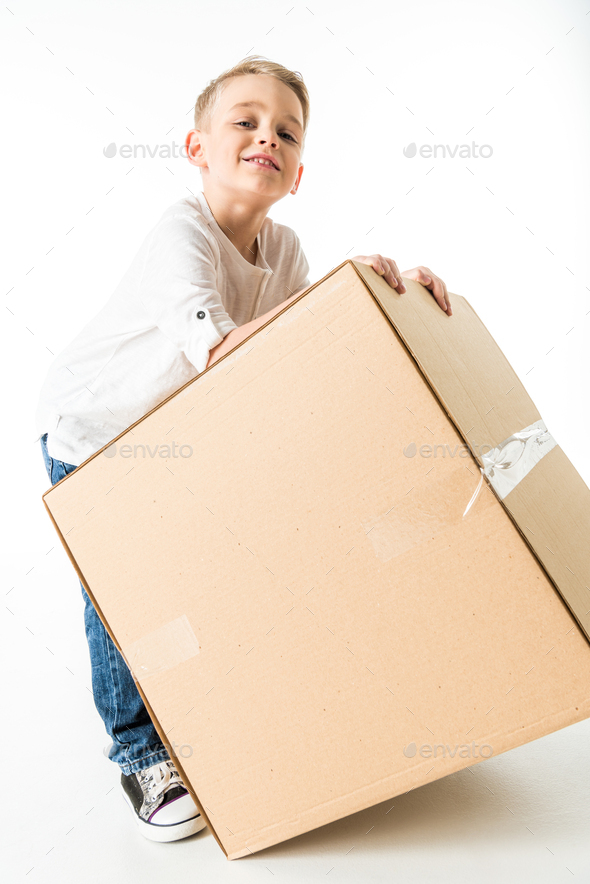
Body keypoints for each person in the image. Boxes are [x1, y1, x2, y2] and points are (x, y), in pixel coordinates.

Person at [35, 54, 452, 843]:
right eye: (246, 121)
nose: (268, 137)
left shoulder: (285, 252)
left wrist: (391, 304)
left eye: (286, 132)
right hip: (94, 431)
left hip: (174, 438)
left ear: (297, 173)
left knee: (198, 571)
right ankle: (136, 749)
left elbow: (295, 356)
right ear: (197, 147)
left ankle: (199, 713)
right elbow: (225, 352)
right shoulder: (179, 232)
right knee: (120, 593)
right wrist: (343, 285)